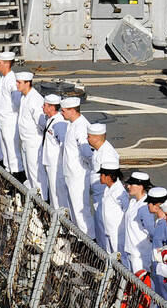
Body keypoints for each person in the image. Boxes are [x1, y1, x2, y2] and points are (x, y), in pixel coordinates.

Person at [58, 96, 94, 235]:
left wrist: (85, 168)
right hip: (71, 174)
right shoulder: (72, 124)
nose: (62, 113)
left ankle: (88, 239)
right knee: (73, 208)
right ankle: (78, 235)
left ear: (72, 111)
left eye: (64, 110)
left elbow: (87, 153)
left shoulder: (81, 126)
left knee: (81, 210)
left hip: (78, 175)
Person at [119, 171, 154, 273]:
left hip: (140, 254)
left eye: (131, 184)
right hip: (130, 250)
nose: (128, 186)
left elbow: (151, 231)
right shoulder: (133, 202)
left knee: (141, 283)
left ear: (140, 186)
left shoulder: (145, 207)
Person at [14, 70, 44, 189]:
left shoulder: (35, 99)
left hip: (33, 142)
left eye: (19, 82)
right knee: (28, 171)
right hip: (25, 141)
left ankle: (40, 198)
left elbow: (41, 123)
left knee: (36, 173)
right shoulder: (24, 97)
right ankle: (32, 197)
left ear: (27, 83)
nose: (17, 85)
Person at [0, 51, 21, 172]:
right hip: (2, 120)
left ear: (6, 64)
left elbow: (17, 102)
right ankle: (8, 173)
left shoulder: (11, 80)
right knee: (6, 150)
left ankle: (16, 177)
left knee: (12, 151)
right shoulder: (4, 78)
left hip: (9, 121)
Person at [95, 155, 127, 256]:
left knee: (119, 257)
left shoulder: (118, 191)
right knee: (110, 256)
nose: (100, 177)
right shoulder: (108, 188)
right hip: (109, 230)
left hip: (117, 233)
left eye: (102, 175)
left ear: (109, 176)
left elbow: (126, 208)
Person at [39, 94, 67, 206]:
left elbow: (63, 144)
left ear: (51, 107)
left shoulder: (59, 122)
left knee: (58, 193)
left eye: (45, 105)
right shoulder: (51, 120)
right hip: (50, 162)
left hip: (56, 164)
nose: (42, 107)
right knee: (53, 191)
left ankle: (59, 217)